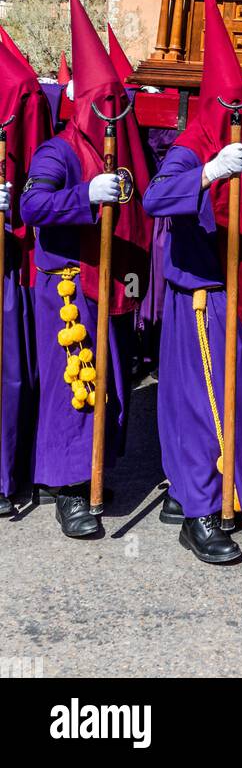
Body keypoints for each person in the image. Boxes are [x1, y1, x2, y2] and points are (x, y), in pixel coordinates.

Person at [142, 0, 242, 564]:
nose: (240, 118)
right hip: (197, 294)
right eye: (232, 107)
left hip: (232, 291)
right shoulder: (193, 144)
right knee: (202, 405)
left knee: (229, 401)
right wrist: (209, 172)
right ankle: (197, 514)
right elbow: (155, 198)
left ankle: (212, 496)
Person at [21, 0, 151, 538]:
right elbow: (31, 205)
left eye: (116, 104)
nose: (111, 115)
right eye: (102, 104)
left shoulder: (120, 148)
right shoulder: (58, 152)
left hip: (109, 286)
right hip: (68, 291)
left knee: (112, 386)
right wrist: (85, 195)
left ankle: (94, 471)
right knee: (75, 389)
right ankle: (69, 489)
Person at [0, 40, 50, 515]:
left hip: (4, 254)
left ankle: (4, 474)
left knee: (7, 370)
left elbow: (33, 169)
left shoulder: (19, 87)